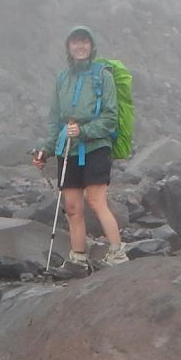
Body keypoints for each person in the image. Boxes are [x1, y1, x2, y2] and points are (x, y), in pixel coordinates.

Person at [33, 24, 126, 273]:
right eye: (76, 42)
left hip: (96, 147)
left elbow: (110, 117)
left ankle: (118, 254)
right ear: (69, 47)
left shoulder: (103, 76)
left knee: (96, 201)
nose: (80, 46)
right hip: (69, 149)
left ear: (92, 46)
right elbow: (55, 120)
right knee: (73, 208)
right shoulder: (62, 79)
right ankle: (78, 259)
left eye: (85, 41)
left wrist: (84, 131)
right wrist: (46, 150)